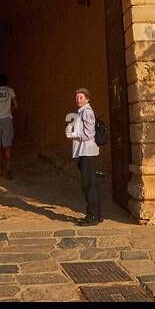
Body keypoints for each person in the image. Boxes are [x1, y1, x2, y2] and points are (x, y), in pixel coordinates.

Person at [66, 86, 101, 226]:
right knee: (91, 183)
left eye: (81, 97)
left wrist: (73, 135)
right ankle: (97, 215)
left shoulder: (86, 112)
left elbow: (89, 133)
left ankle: (92, 216)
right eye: (77, 97)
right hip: (84, 152)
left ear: (87, 99)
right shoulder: (79, 113)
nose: (78, 99)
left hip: (88, 152)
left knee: (88, 184)